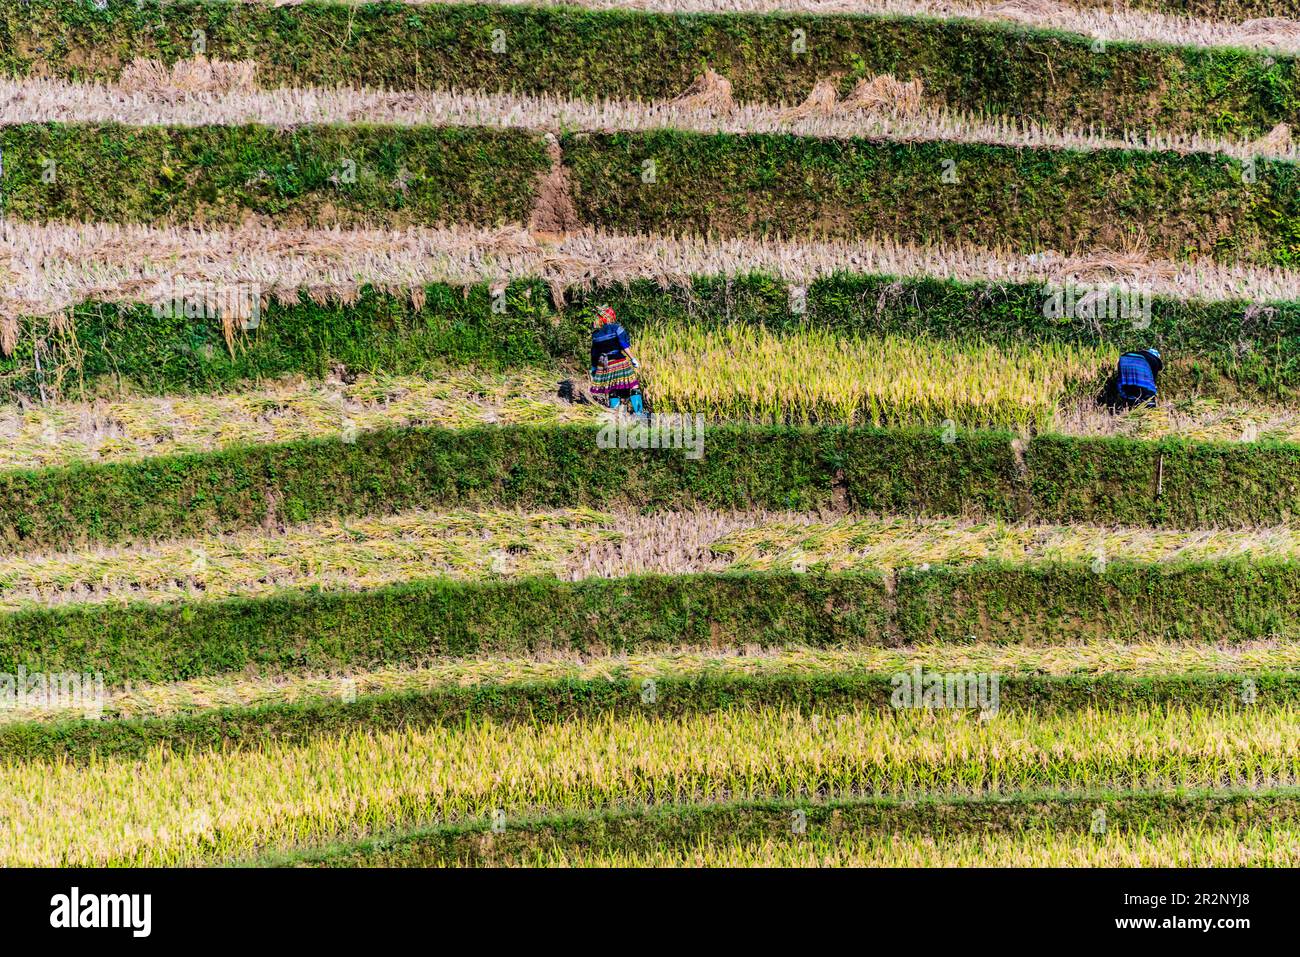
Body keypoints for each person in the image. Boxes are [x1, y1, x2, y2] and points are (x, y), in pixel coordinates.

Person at [588, 305, 645, 415]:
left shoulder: (596, 334)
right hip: (620, 362)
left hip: (606, 365)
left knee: (612, 389)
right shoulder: (617, 328)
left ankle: (615, 416)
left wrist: (594, 367)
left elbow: (594, 353)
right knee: (633, 385)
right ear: (611, 316)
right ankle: (639, 414)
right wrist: (633, 358)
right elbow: (624, 345)